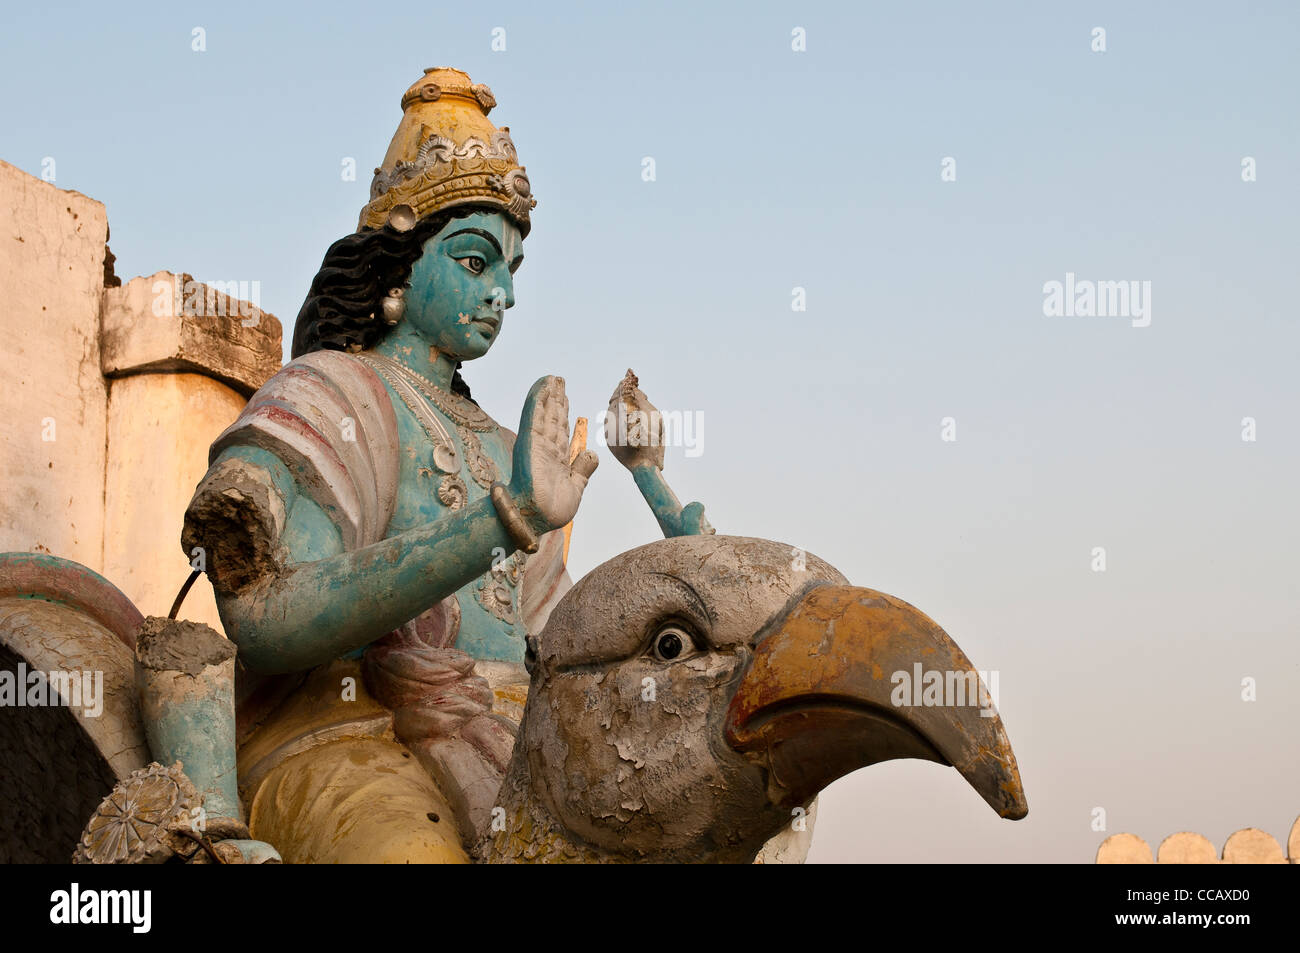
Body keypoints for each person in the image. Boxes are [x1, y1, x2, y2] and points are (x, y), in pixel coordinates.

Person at [180, 68, 598, 861]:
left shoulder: (506, 445)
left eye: (512, 270)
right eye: (477, 263)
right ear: (399, 268)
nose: (503, 294)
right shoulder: (333, 393)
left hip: (513, 750)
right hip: (339, 730)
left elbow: (558, 654)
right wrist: (498, 521)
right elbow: (263, 618)